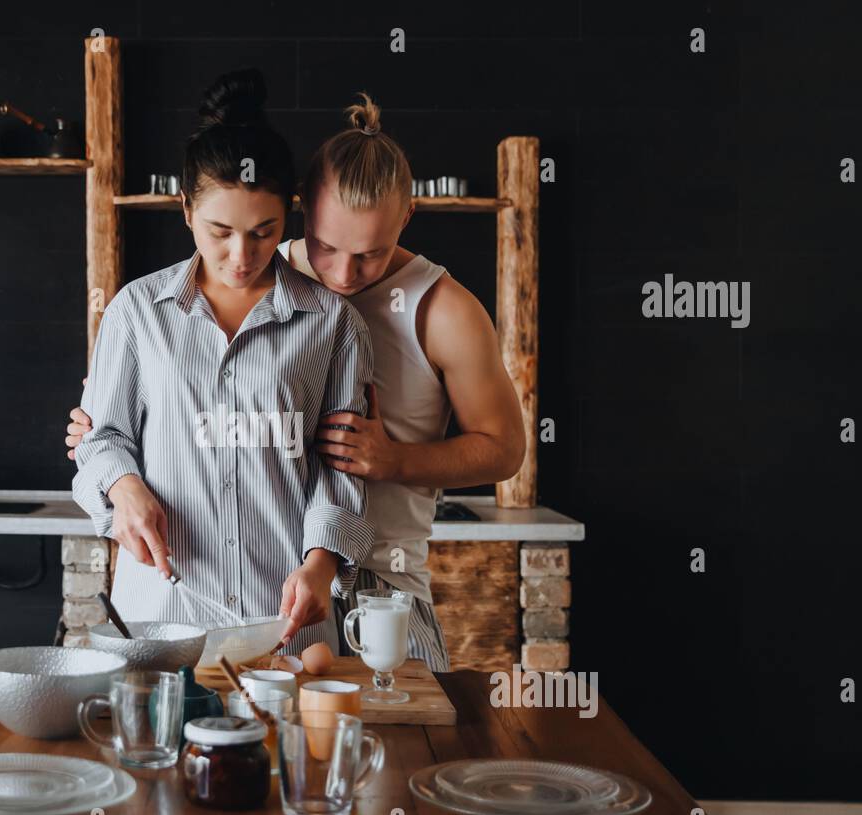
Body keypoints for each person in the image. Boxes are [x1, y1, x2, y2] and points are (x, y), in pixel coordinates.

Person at [69, 92, 524, 672]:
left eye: (370, 254)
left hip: (378, 577)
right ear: (303, 210)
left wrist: (389, 462)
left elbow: (505, 449)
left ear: (407, 218)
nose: (341, 273)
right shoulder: (235, 266)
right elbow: (113, 430)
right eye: (326, 247)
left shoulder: (429, 311)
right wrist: (111, 459)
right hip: (210, 597)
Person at [72, 70, 374, 656]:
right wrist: (123, 484)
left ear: (288, 213)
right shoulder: (136, 312)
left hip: (284, 622)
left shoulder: (333, 323)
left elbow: (341, 466)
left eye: (264, 233)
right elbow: (99, 435)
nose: (242, 256)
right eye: (221, 232)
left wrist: (320, 565)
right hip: (162, 622)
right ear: (185, 210)